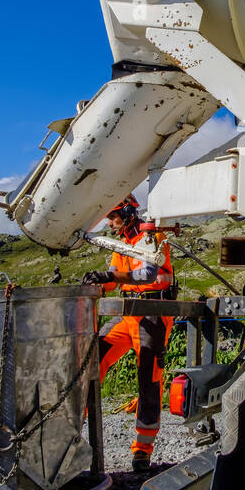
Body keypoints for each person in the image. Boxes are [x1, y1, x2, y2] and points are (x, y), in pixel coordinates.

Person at [82, 195, 174, 473]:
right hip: (128, 314)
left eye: (112, 216)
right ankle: (72, 427)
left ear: (126, 211)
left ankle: (142, 450)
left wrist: (110, 278)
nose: (109, 223)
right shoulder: (120, 244)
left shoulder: (153, 237)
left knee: (149, 379)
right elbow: (113, 277)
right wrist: (97, 284)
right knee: (92, 358)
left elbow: (148, 275)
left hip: (153, 313)